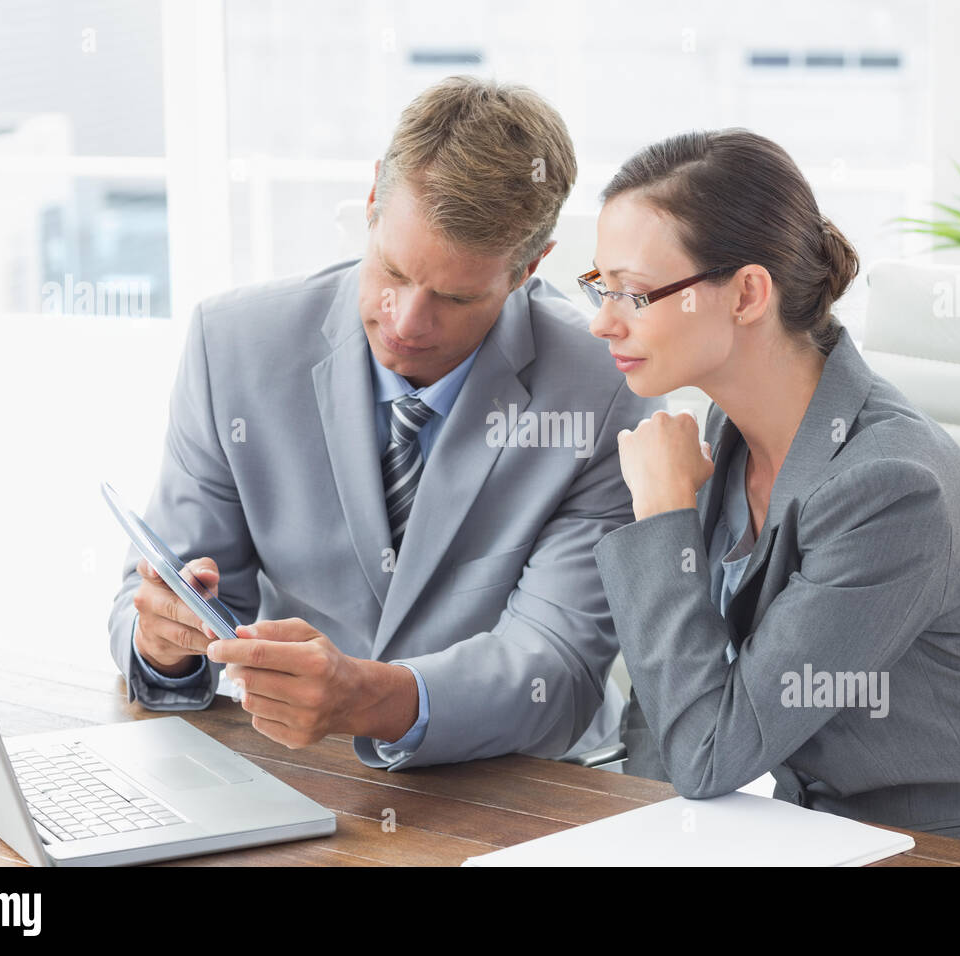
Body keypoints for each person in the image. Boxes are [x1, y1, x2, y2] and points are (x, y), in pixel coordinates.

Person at [107, 76, 659, 770]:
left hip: (522, 788)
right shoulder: (235, 346)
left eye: (455, 297)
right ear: (372, 200)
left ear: (529, 269)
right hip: (301, 772)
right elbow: (170, 592)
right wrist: (162, 644)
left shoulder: (603, 389)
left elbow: (558, 668)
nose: (407, 323)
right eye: (392, 271)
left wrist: (371, 698)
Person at [583, 128, 960, 860]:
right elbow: (672, 718)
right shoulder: (727, 436)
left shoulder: (889, 488)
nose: (603, 319)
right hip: (813, 837)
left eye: (632, 292)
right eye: (600, 286)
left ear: (748, 294)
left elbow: (710, 751)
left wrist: (663, 518)